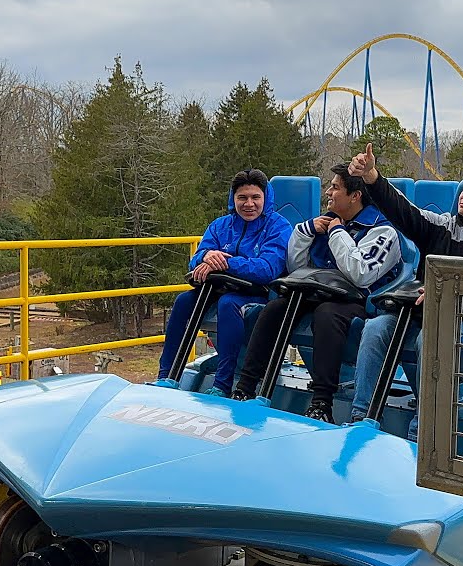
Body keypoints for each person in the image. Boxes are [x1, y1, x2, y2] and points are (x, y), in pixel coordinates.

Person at [346, 144, 463, 422]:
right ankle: (362, 417)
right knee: (375, 327)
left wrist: (446, 295)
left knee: (429, 338)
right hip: (414, 311)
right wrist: (372, 177)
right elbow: (401, 210)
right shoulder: (442, 226)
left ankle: (425, 427)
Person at [230, 163, 402, 423]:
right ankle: (245, 387)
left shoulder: (382, 231)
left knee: (327, 315)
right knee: (276, 308)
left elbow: (360, 273)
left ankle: (322, 403)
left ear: (355, 196)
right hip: (316, 291)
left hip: (358, 299)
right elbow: (297, 268)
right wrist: (305, 231)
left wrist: (337, 233)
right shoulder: (324, 223)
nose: (328, 193)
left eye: (335, 188)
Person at [155, 169, 292, 396]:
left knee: (228, 305)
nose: (249, 204)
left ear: (265, 198)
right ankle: (166, 375)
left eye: (255, 197)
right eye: (242, 198)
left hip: (256, 292)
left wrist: (225, 262)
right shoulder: (220, 226)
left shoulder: (278, 227)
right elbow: (196, 261)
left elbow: (267, 269)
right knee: (183, 302)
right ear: (233, 199)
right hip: (218, 288)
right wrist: (206, 257)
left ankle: (222, 384)